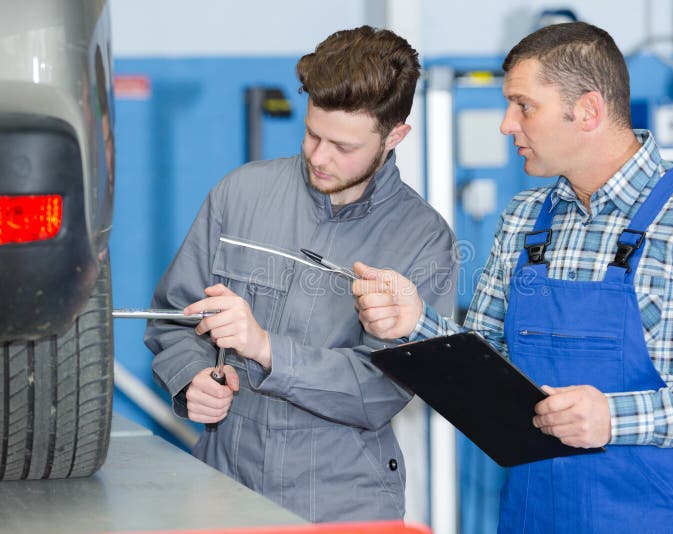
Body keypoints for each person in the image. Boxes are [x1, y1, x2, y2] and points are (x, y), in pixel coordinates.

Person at [353, 22, 673, 533]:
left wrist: (612, 418)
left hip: (656, 520)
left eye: (524, 105)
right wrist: (416, 321)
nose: (507, 123)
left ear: (588, 111)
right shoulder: (524, 219)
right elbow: (489, 360)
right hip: (535, 515)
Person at [144, 26, 457, 523]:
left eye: (343, 146)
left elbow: (379, 392)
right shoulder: (240, 194)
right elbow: (174, 317)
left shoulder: (423, 240)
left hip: (342, 502)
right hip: (224, 485)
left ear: (394, 136)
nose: (318, 156)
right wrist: (191, 378)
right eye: (312, 133)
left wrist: (264, 347)